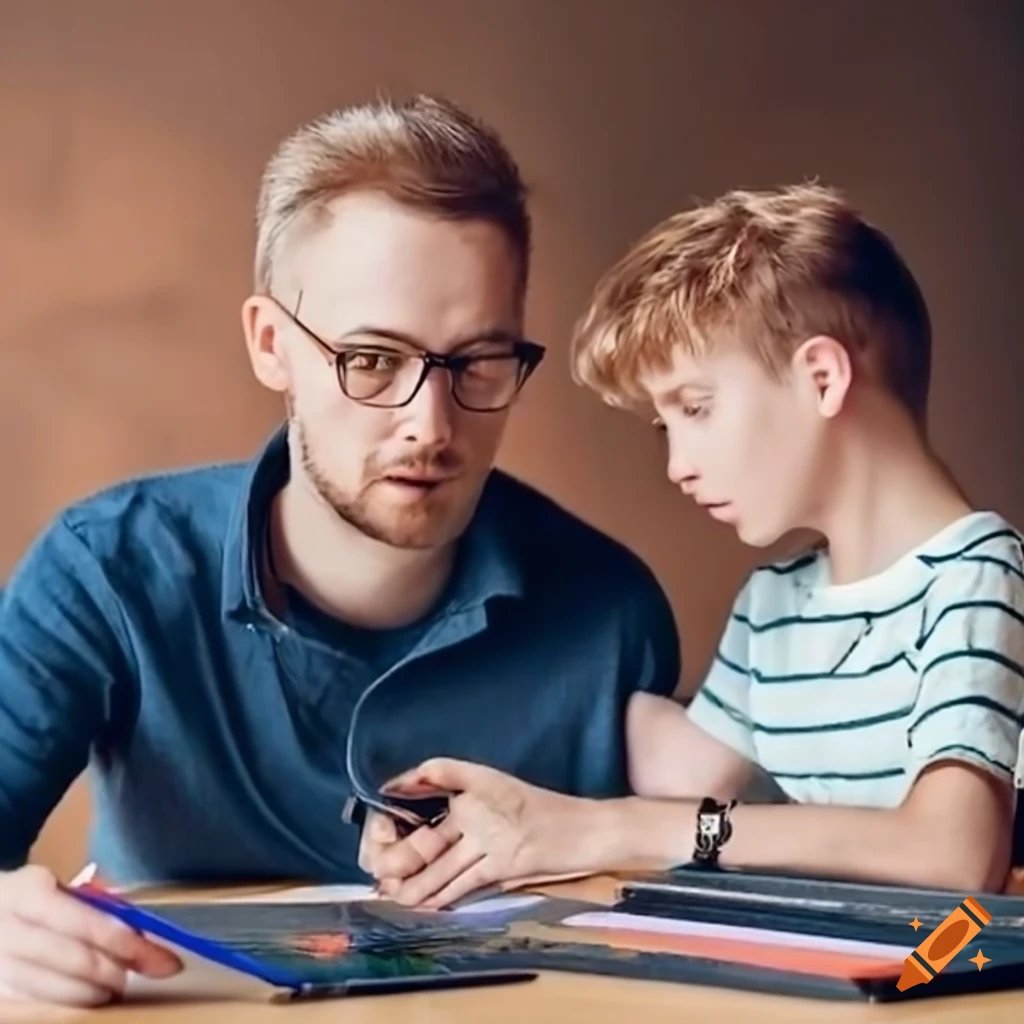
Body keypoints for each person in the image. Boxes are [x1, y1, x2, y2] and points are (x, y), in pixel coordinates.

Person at [0, 94, 682, 1006]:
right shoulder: (107, 570)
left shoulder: (613, 612)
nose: (428, 425)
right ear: (271, 343)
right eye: (371, 360)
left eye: (476, 362)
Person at [363, 183, 1024, 910]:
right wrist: (445, 811)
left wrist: (610, 829)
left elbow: (953, 853)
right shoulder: (773, 604)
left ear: (822, 378)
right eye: (664, 427)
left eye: (696, 408)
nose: (677, 464)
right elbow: (678, 773)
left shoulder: (978, 576)